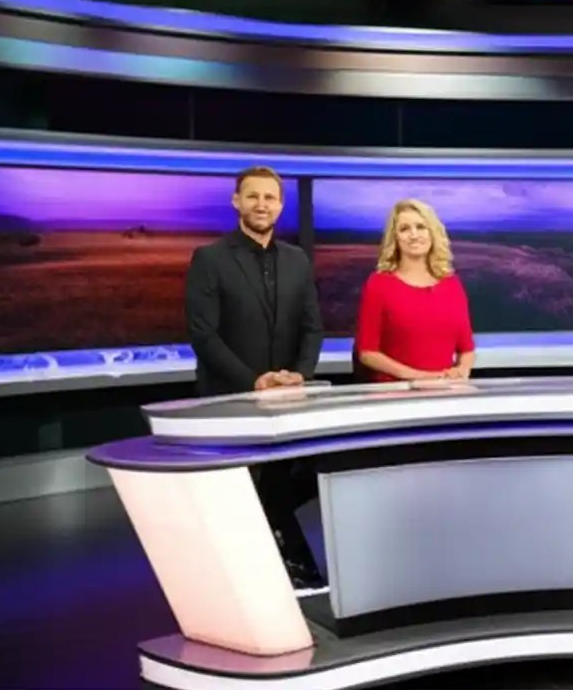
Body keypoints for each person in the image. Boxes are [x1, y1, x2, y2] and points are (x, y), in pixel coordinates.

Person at [184, 165, 326, 592]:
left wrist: (299, 375)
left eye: (270, 197)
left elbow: (312, 327)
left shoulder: (297, 260)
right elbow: (202, 334)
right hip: (229, 399)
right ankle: (293, 574)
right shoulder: (210, 259)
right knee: (242, 493)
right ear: (236, 202)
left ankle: (289, 574)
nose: (262, 204)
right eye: (253, 196)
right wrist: (253, 381)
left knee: (282, 486)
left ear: (281, 205)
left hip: (285, 401)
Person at [355, 199, 475, 382]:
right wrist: (417, 377)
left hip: (445, 393)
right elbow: (367, 352)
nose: (414, 235)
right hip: (397, 396)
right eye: (404, 229)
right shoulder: (379, 284)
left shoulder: (452, 284)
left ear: (432, 233)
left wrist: (462, 370)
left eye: (421, 227)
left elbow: (466, 349)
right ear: (394, 237)